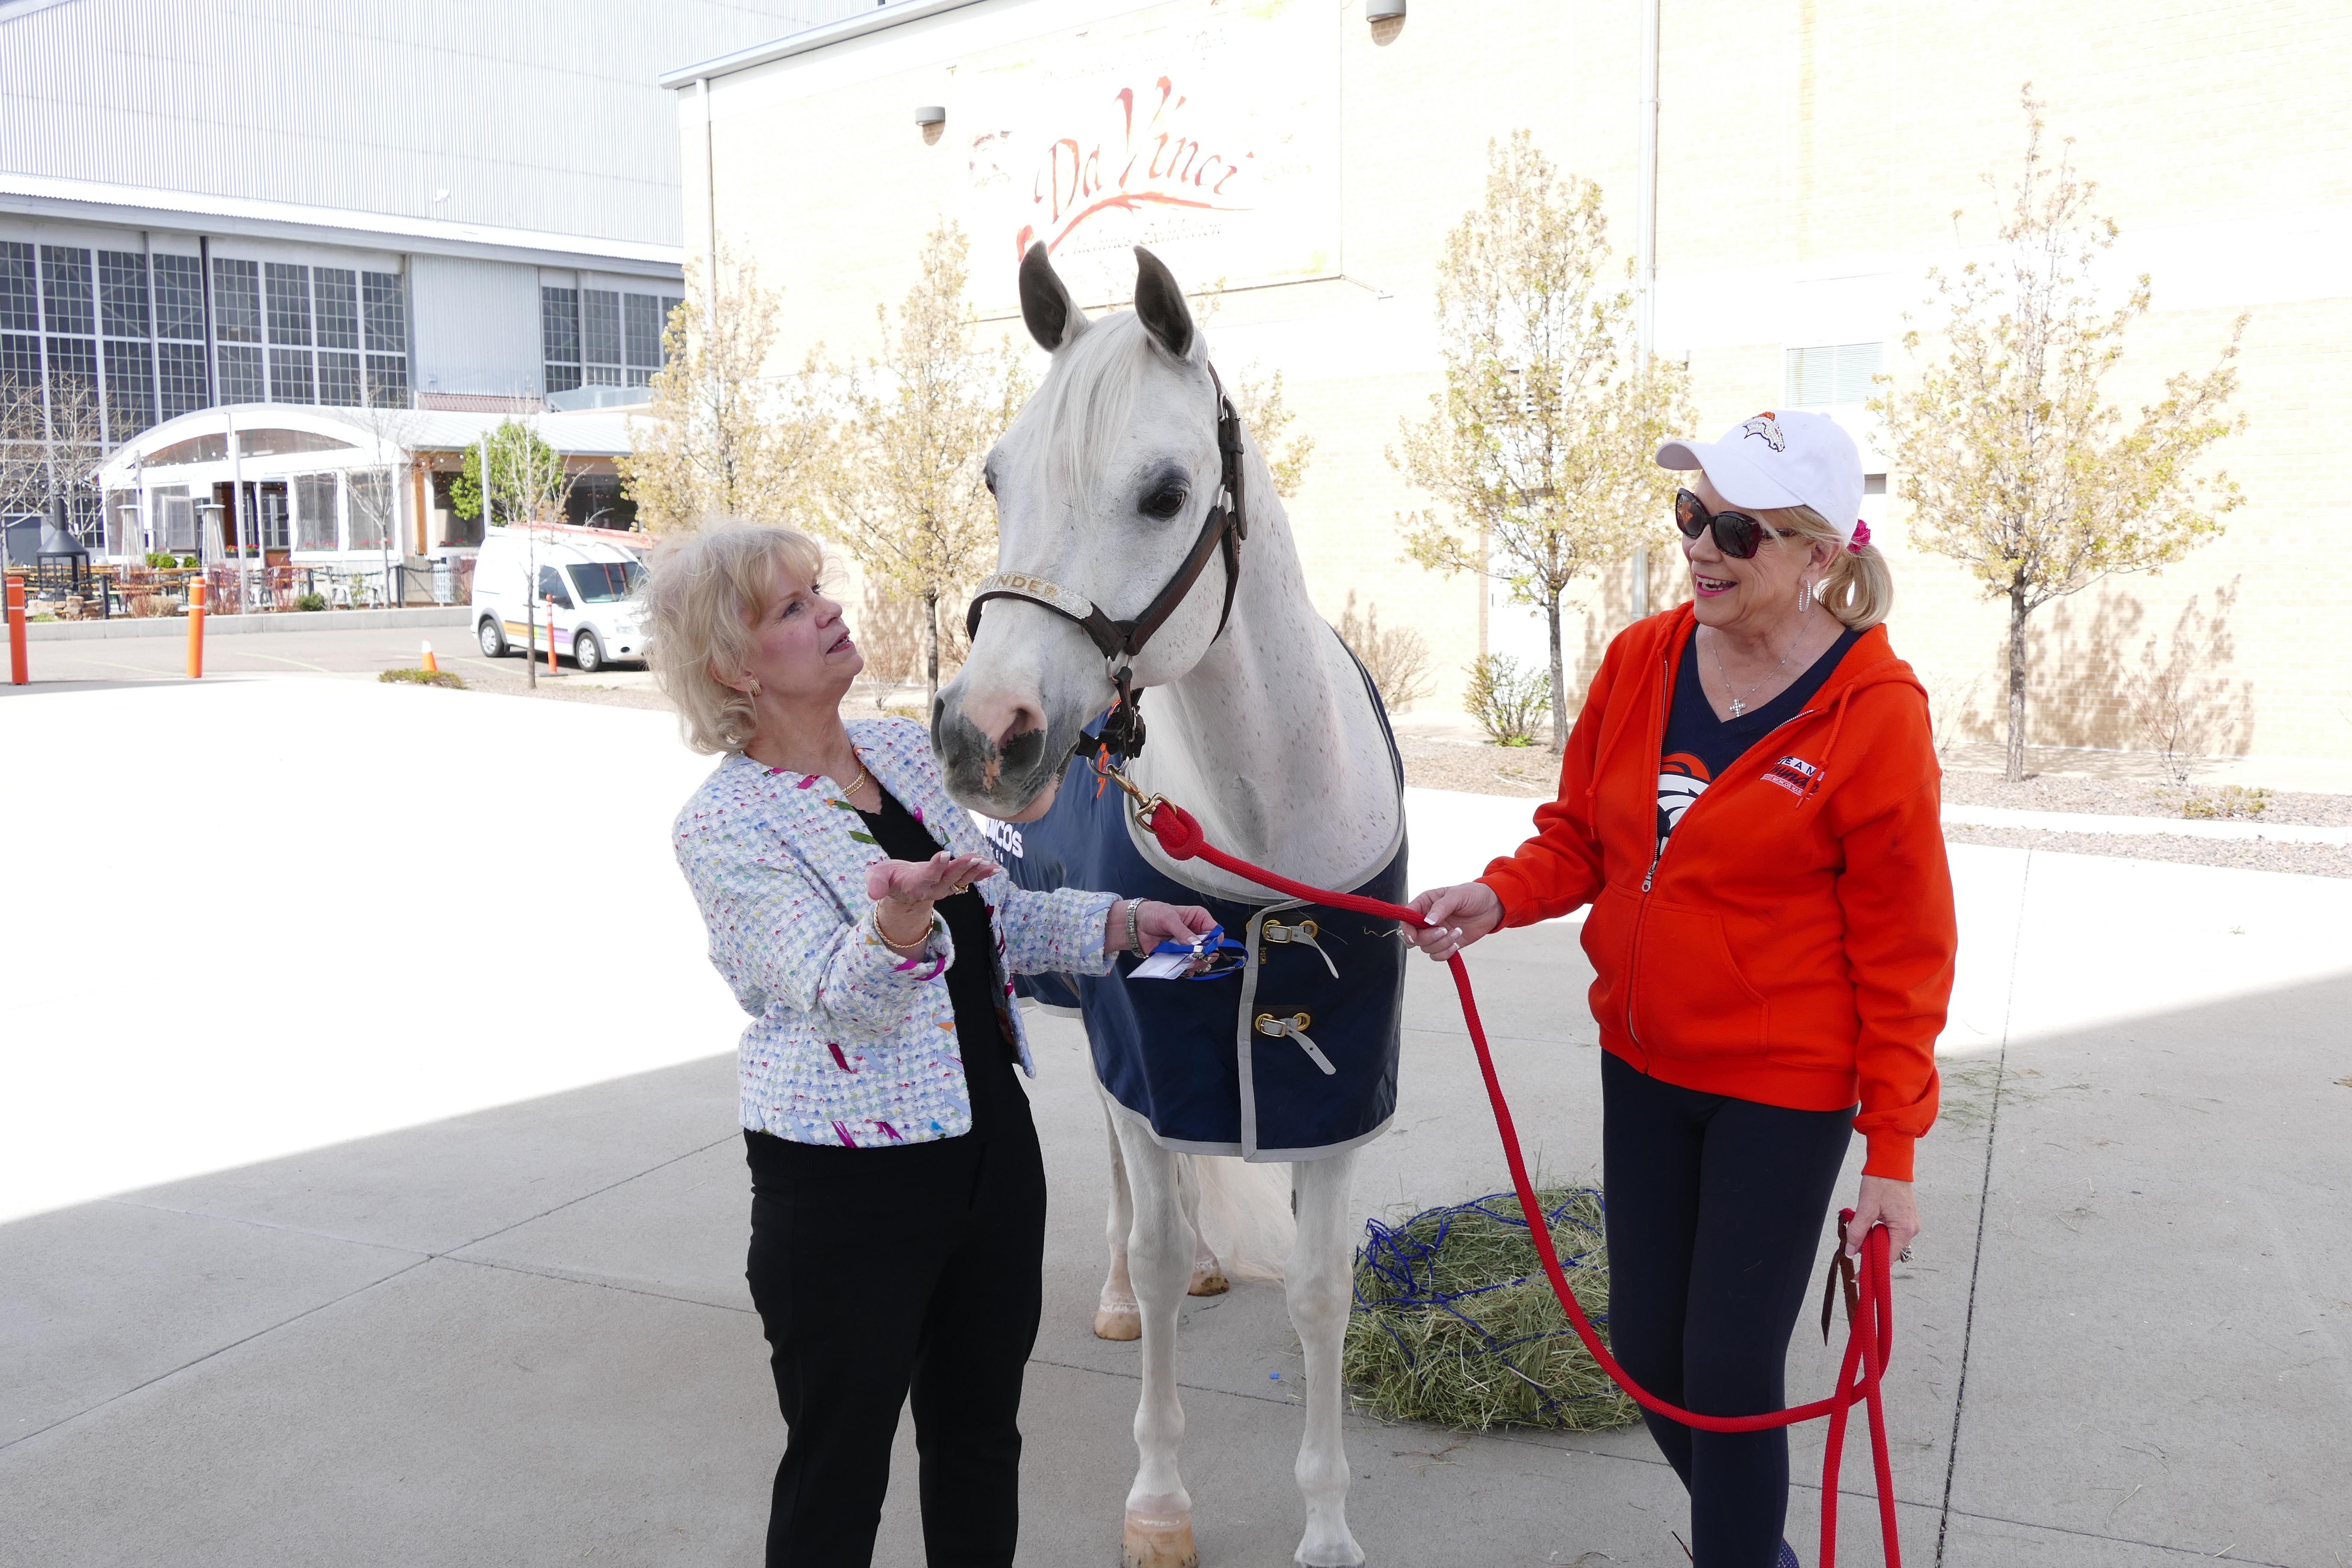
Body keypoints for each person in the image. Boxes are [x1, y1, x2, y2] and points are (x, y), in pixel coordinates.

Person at [1408, 412, 1956, 1568]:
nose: (1703, 547)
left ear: (1819, 554)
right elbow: (1579, 836)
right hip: (1645, 1061)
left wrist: (1894, 1154)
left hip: (1784, 1086)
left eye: (1738, 532)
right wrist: (1500, 897)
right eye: (1692, 515)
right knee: (1651, 1356)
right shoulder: (1642, 659)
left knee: (1731, 1372)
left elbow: (1907, 951)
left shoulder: (1873, 713)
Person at [648, 523, 1213, 1568]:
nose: (829, 610)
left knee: (980, 1443)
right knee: (837, 1473)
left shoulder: (905, 754)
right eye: (792, 607)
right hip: (846, 1188)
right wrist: (900, 921)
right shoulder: (724, 825)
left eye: (819, 589)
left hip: (989, 1152)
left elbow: (998, 923)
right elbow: (833, 996)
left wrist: (1129, 923)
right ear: (732, 668)